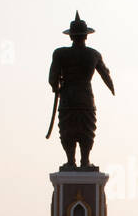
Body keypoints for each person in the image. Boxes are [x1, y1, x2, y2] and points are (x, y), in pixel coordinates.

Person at [48, 12, 114, 169]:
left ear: (71, 36)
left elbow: (52, 78)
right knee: (86, 129)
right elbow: (106, 75)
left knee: (67, 129)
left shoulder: (60, 54)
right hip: (85, 98)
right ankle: (85, 161)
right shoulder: (93, 54)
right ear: (86, 36)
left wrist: (55, 86)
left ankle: (71, 161)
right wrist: (112, 88)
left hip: (68, 98)